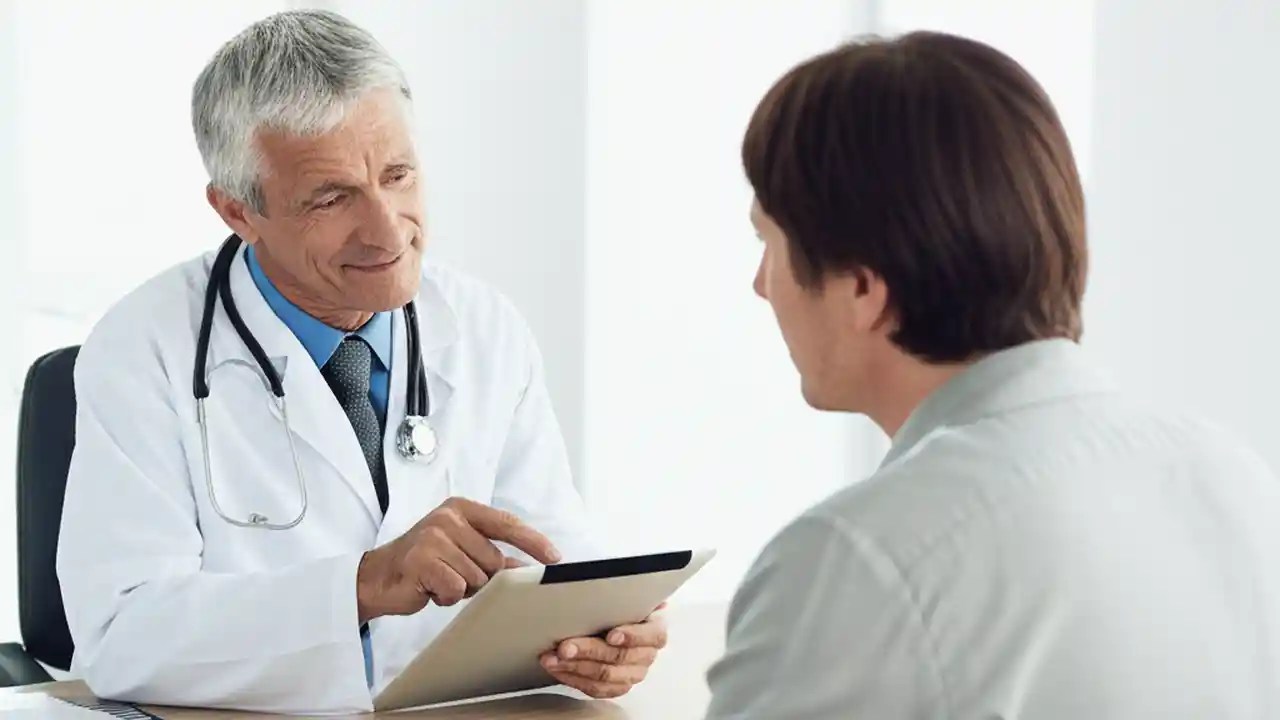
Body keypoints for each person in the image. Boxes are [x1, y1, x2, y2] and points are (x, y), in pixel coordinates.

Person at [55, 10, 664, 715]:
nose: (388, 228)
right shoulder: (143, 350)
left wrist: (604, 631)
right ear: (237, 212)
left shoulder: (483, 327)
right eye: (332, 197)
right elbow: (119, 640)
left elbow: (556, 557)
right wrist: (363, 585)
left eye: (398, 175)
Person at [705, 31, 1280, 719]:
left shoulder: (857, 559)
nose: (761, 286)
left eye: (767, 242)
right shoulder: (1236, 481)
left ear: (861, 287)